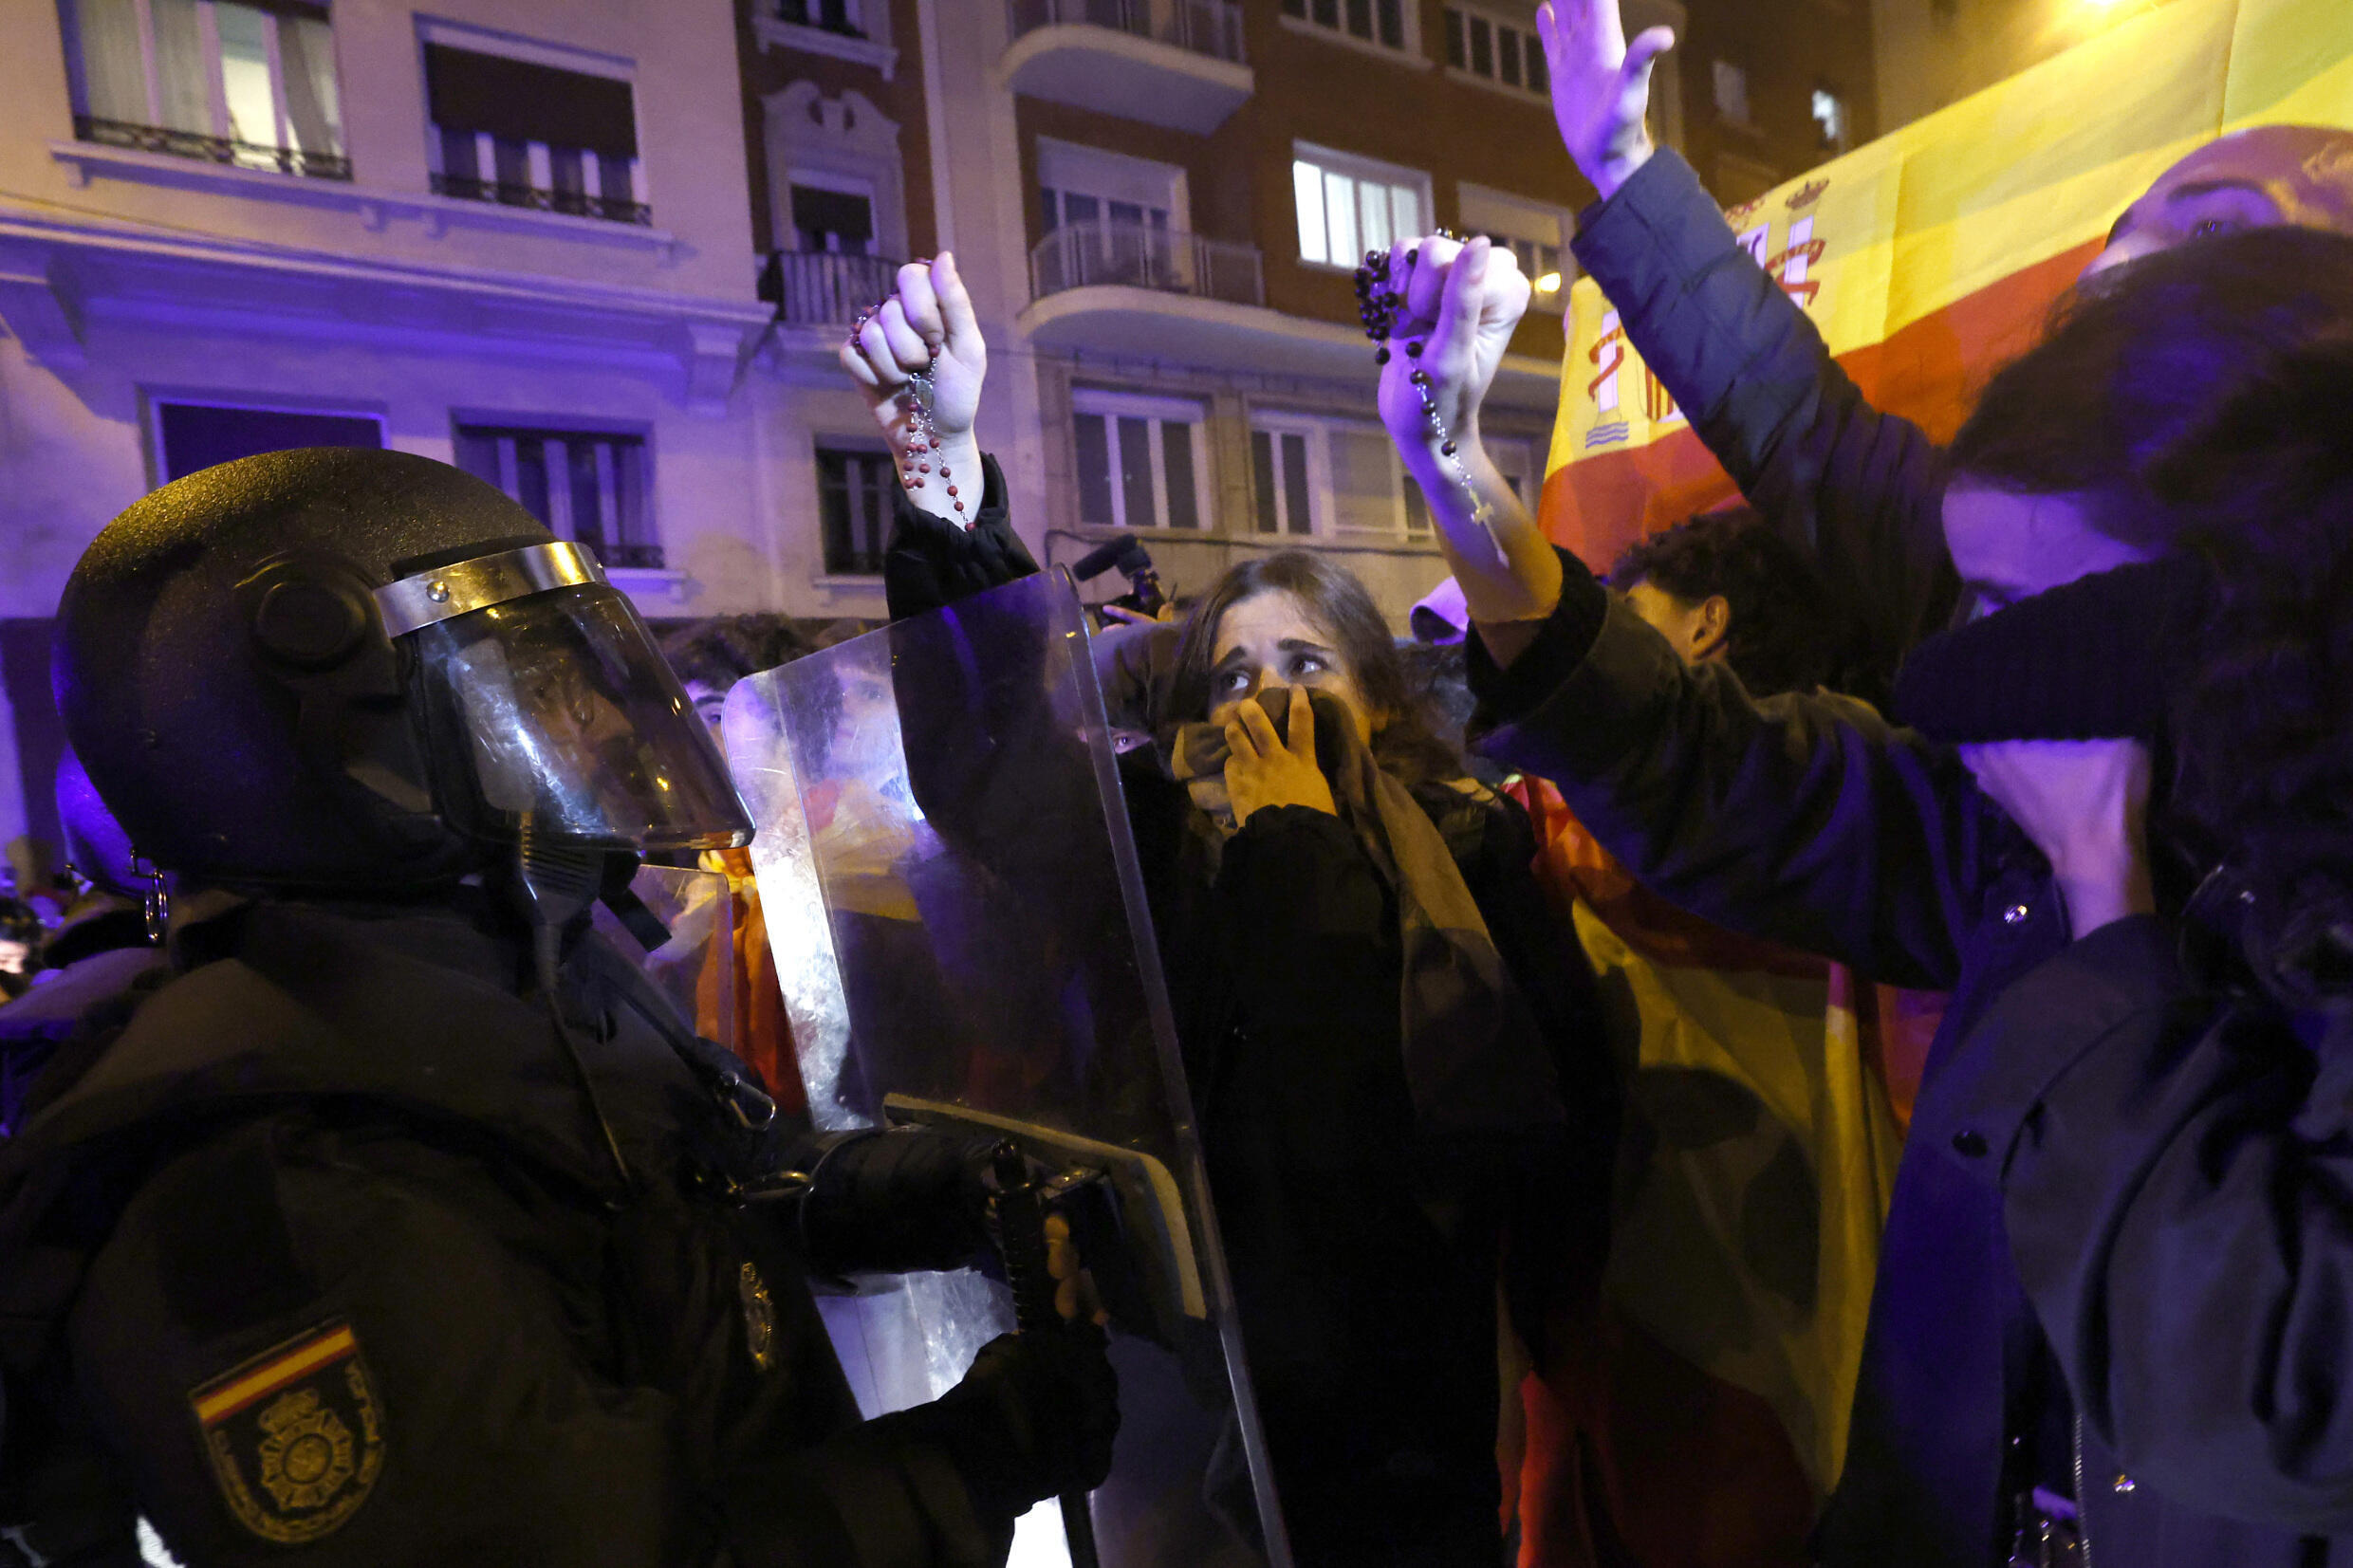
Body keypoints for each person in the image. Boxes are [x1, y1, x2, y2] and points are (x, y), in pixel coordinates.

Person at [1376, 212, 2353, 1564]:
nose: (1970, 657)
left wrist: (2110, 911)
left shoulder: (2218, 881)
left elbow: (2279, 1383)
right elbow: (1706, 769)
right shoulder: (2017, 827)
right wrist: (1455, 476)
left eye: (2015, 605)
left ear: (2231, 601)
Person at [0, 447, 1116, 1566]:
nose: (605, 721)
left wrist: (920, 1197)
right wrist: (976, 1454)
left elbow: (659, 1224)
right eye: (535, 682)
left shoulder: (505, 965)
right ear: (346, 732)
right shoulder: (271, 1176)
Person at [845, 258, 1615, 1568]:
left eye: (1308, 665)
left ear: (1377, 695)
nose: (1266, 700)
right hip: (1204, 1402)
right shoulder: (1158, 847)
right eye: (1235, 672)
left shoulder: (1475, 857)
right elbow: (995, 770)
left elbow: (1552, 1138)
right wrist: (946, 482)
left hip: (1416, 1420)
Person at [1533, 0, 2353, 667]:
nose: (2121, 261)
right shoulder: (1981, 562)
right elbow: (1793, 421)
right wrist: (1624, 170)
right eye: (2120, 231)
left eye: (2212, 229)